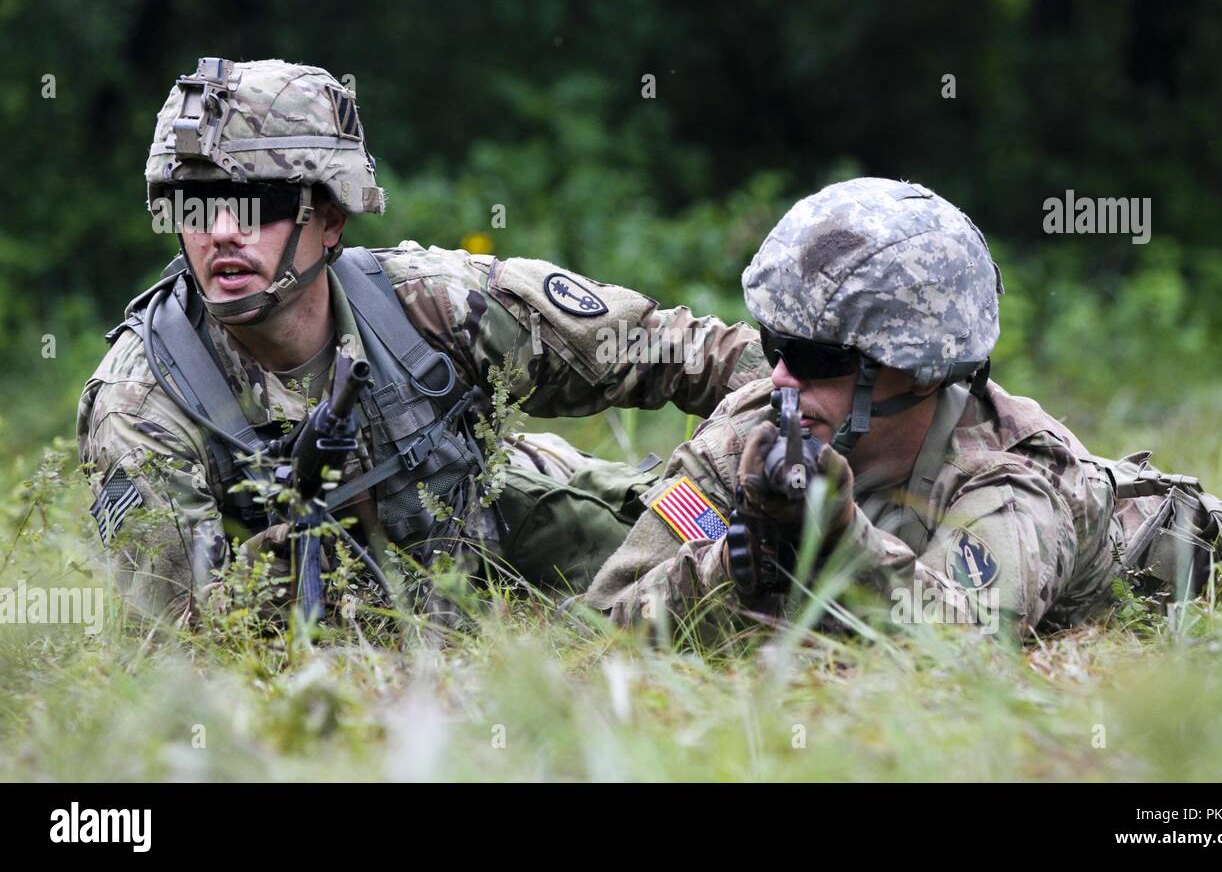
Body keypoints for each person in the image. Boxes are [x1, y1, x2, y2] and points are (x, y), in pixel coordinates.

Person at [76, 57, 767, 622]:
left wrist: (839, 402)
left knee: (724, 548)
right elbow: (175, 645)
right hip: (349, 655)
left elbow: (687, 354)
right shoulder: (144, 404)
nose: (222, 231)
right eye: (196, 203)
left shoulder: (433, 305)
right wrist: (303, 548)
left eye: (259, 203)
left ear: (332, 218)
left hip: (501, 520)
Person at [583, 177, 1222, 640]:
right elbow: (607, 620)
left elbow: (959, 642)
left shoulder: (1013, 478)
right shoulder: (764, 425)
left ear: (920, 373)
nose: (779, 378)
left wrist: (833, 537)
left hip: (1158, 538)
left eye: (820, 359)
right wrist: (741, 563)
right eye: (776, 345)